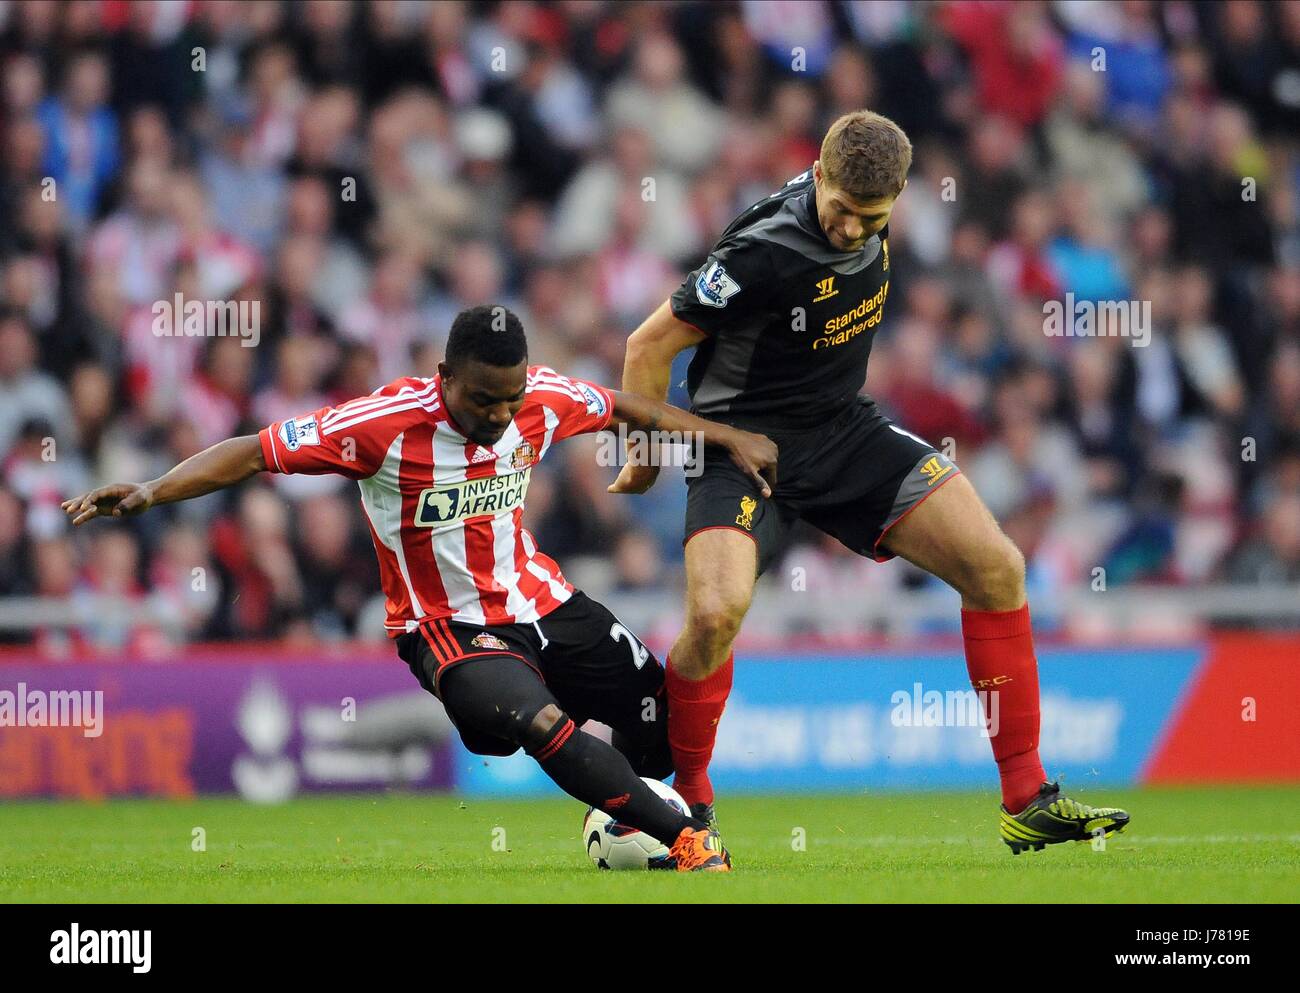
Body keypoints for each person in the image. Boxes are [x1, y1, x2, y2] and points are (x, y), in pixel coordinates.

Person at [64, 305, 778, 872]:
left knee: (661, 724)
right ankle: (689, 840)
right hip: (446, 626)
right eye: (484, 400)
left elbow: (629, 407)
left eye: (511, 398)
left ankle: (637, 809)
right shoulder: (379, 426)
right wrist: (154, 489)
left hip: (542, 599)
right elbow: (253, 451)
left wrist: (724, 437)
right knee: (539, 724)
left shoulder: (542, 399)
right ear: (443, 376)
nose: (501, 414)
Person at [612, 110, 1129, 855]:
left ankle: (1027, 797)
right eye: (843, 212)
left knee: (997, 567)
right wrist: (644, 452)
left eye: (872, 218)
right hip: (742, 445)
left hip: (842, 430)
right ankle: (688, 801)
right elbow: (647, 343)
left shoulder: (872, 205)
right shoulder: (761, 250)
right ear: (817, 176)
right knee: (715, 614)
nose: (854, 230)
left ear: (898, 198)